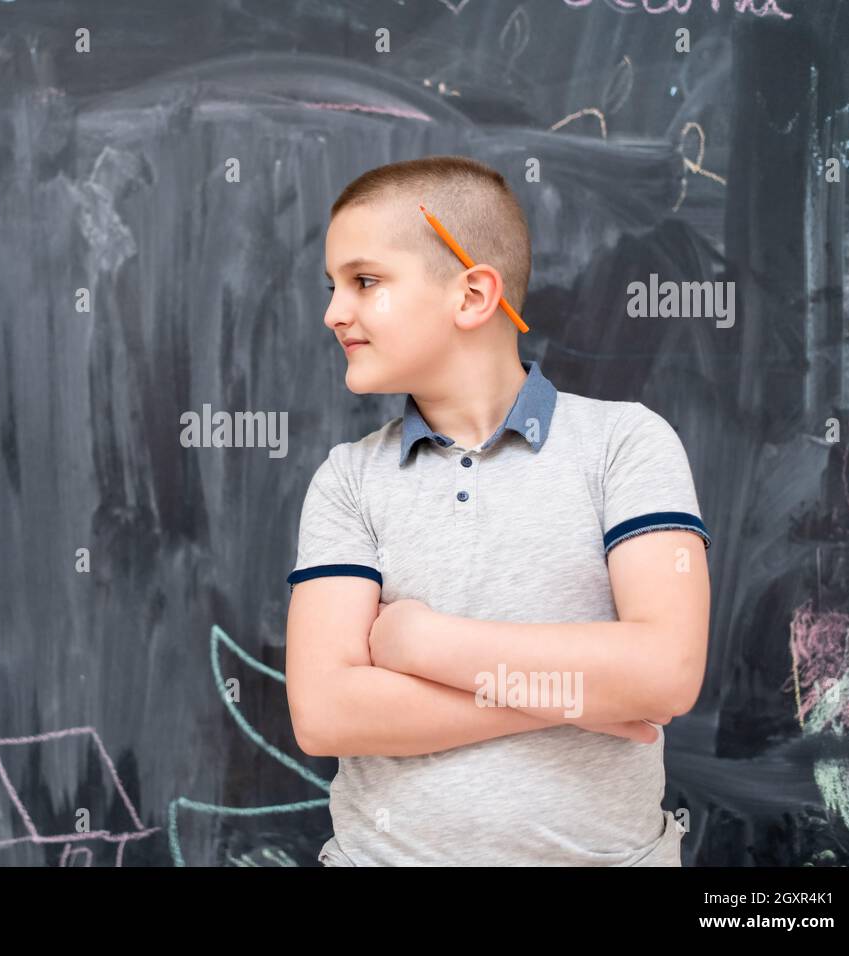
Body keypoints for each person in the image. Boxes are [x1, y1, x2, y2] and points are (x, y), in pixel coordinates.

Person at [284, 155, 712, 866]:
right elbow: (326, 712)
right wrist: (580, 698)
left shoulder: (625, 444)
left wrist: (423, 645)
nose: (334, 312)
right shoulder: (348, 480)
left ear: (474, 295)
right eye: (333, 286)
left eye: (364, 281)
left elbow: (664, 671)